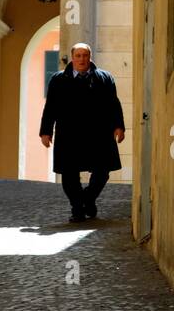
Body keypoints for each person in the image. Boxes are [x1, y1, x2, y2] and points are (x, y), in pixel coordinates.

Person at [39, 41, 125, 222]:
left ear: (90, 57)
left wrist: (119, 126)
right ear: (72, 58)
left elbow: (114, 104)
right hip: (69, 135)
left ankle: (88, 199)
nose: (82, 59)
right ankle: (77, 208)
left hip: (99, 133)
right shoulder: (58, 79)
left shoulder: (105, 78)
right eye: (78, 56)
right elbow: (51, 107)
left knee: (103, 171)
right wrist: (46, 131)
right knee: (69, 174)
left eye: (85, 55)